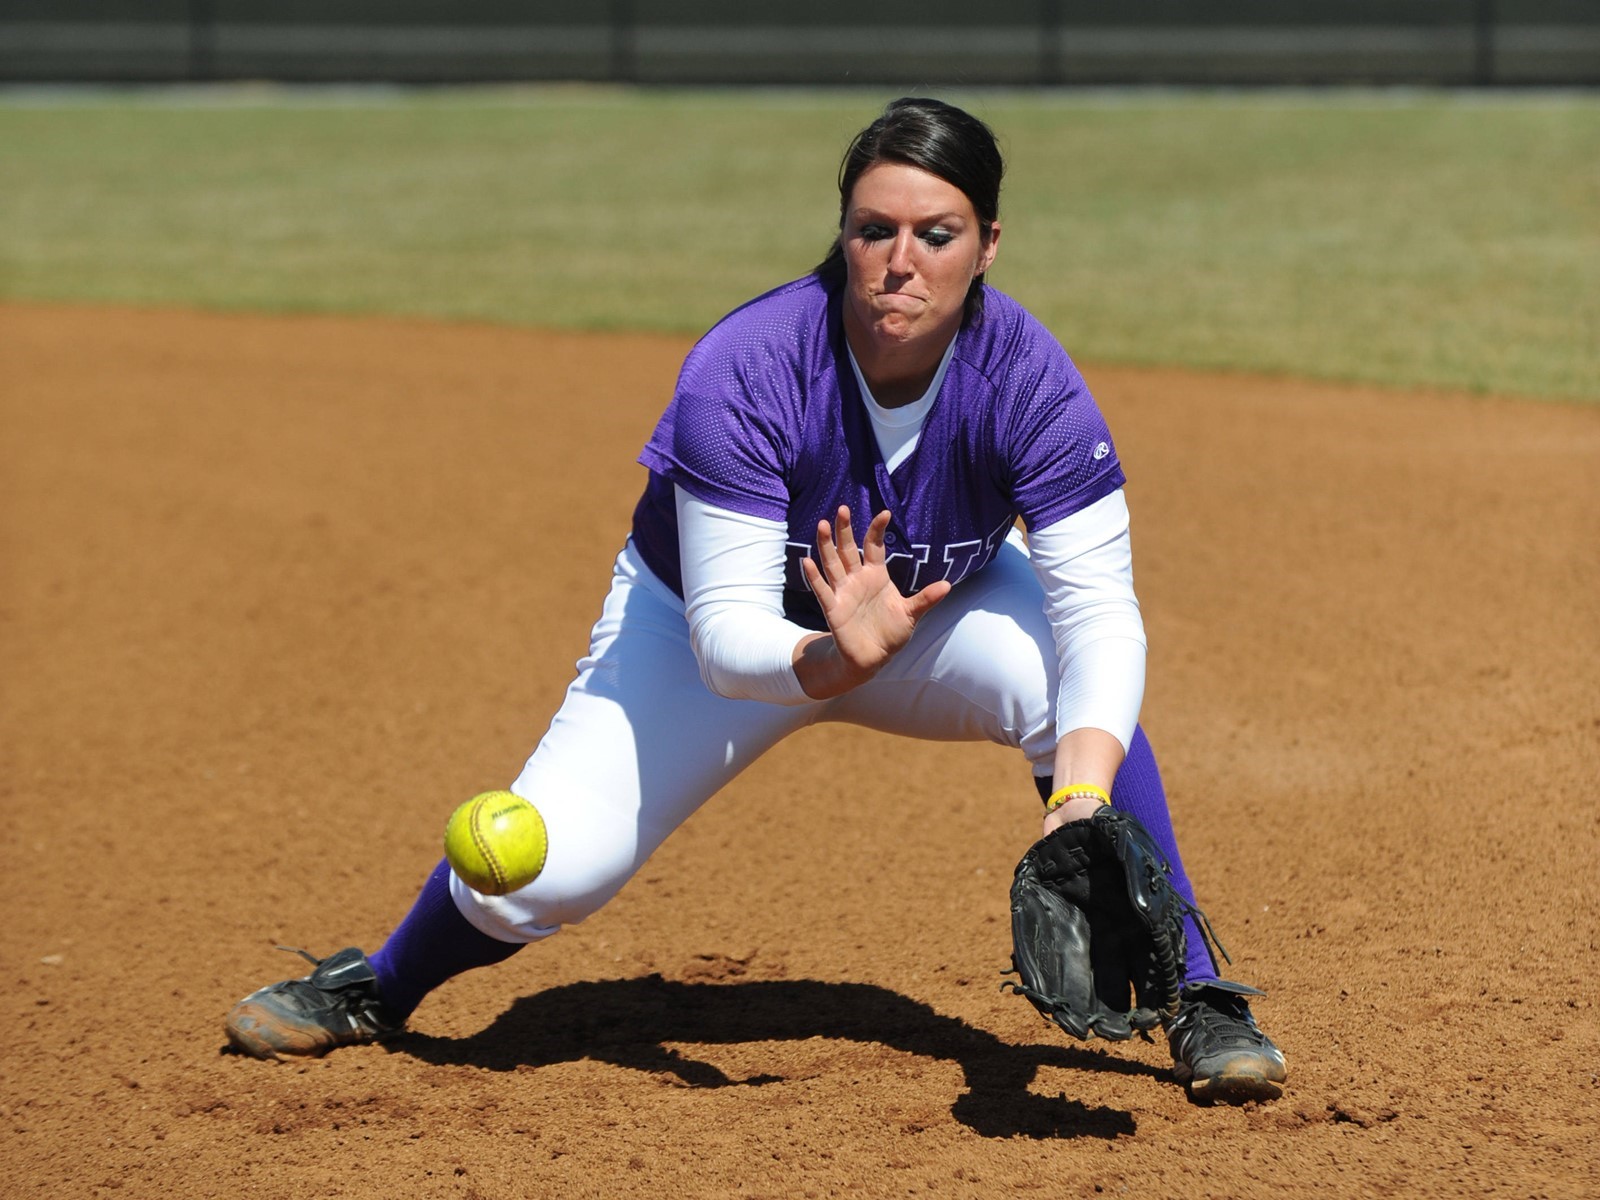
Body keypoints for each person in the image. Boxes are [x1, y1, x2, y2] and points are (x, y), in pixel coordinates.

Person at [225, 97, 1287, 1103]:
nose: (902, 260)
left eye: (937, 232)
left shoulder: (1029, 381)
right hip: (704, 635)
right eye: (876, 229)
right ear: (842, 232)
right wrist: (828, 660)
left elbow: (1102, 612)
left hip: (921, 621)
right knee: (537, 876)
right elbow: (729, 637)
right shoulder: (748, 367)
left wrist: (1080, 800)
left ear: (989, 243)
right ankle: (382, 984)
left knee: (1074, 693)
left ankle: (1197, 993)